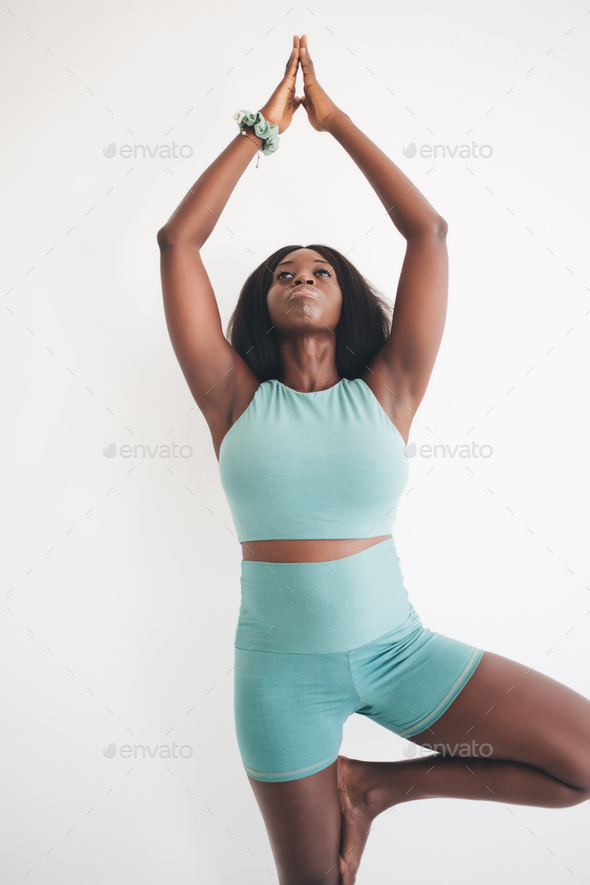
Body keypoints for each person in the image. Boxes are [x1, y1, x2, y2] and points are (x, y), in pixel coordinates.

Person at [157, 33, 590, 885]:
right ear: (266, 303)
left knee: (579, 760)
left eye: (321, 268)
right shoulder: (233, 397)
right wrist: (265, 126)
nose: (304, 273)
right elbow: (178, 243)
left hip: (400, 653)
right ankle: (350, 796)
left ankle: (372, 789)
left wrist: (335, 120)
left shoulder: (390, 386)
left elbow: (426, 230)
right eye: (286, 270)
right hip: (278, 678)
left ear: (346, 295)